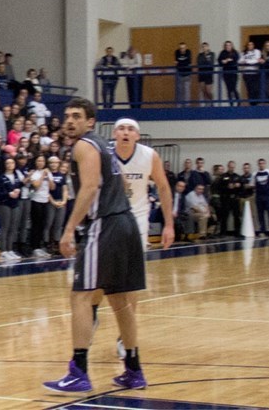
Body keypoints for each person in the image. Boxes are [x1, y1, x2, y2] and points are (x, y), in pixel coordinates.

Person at [43, 97, 149, 393]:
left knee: (81, 297)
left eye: (77, 116)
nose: (70, 121)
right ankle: (134, 369)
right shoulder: (103, 145)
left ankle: (79, 372)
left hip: (105, 223)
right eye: (67, 116)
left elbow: (89, 188)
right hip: (126, 223)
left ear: (90, 122)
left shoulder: (84, 145)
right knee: (119, 301)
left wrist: (67, 231)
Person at [90, 118, 174, 358]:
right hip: (106, 220)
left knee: (130, 284)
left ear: (137, 136)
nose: (126, 133)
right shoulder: (104, 155)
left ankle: (124, 339)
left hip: (136, 223)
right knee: (99, 278)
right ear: (114, 133)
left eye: (131, 129)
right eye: (122, 129)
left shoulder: (149, 156)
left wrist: (168, 225)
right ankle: (93, 311)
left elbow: (164, 188)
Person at [252, 158, 269, 237]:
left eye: (263, 163)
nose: (261, 165)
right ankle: (262, 230)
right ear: (258, 164)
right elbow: (252, 185)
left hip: (268, 196)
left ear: (265, 164)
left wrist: (268, 188)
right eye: (260, 163)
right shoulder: (255, 174)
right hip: (259, 196)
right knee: (260, 214)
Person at [173, 42, 192, 107]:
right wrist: (182, 63)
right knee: (179, 89)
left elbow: (188, 61)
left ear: (186, 48)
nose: (182, 49)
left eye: (183, 48)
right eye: (181, 48)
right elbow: (176, 62)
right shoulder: (177, 52)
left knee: (187, 89)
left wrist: (180, 62)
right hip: (179, 73)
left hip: (187, 73)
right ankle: (179, 104)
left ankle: (187, 104)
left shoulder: (188, 52)